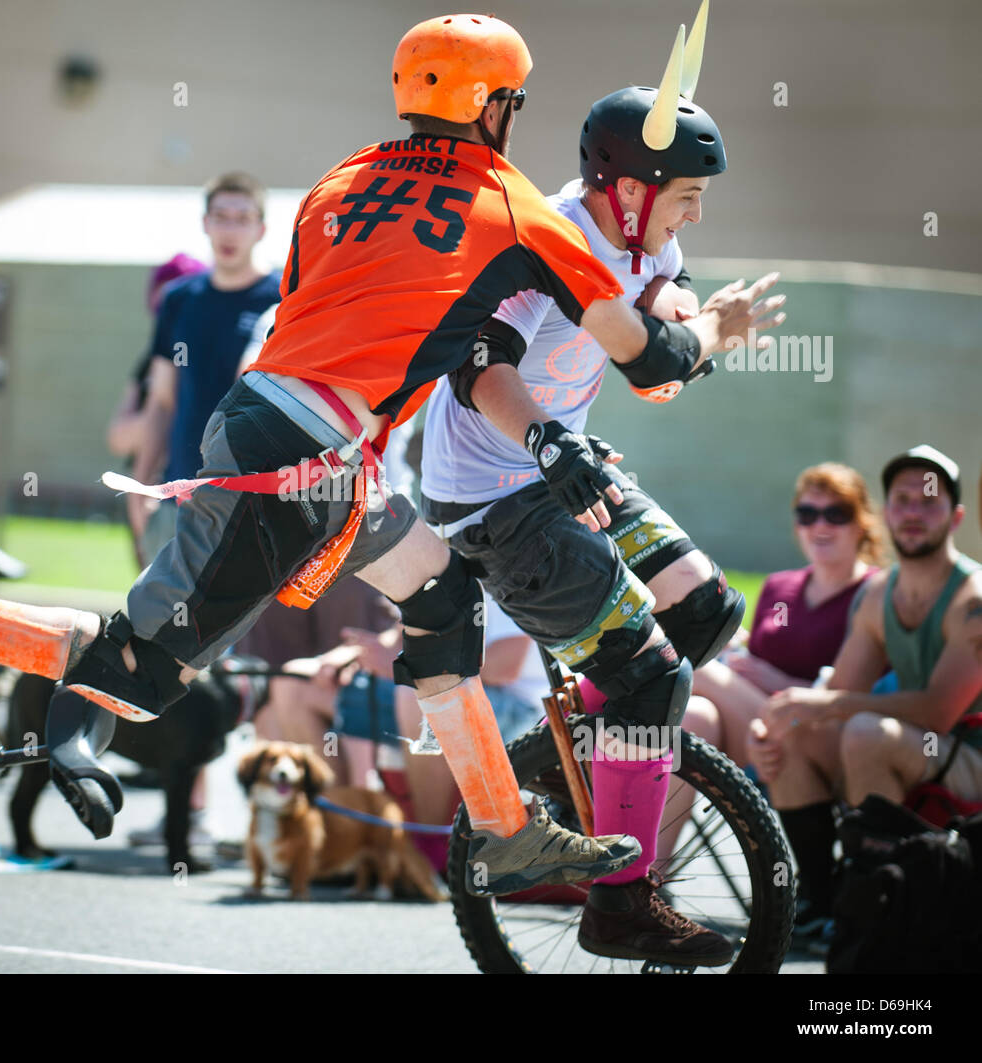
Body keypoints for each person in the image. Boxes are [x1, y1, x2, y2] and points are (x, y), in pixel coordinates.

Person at [0, 14, 775, 902]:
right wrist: (715, 332)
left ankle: (507, 830)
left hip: (300, 438)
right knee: (137, 671)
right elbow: (646, 355)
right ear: (495, 109)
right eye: (511, 104)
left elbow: (312, 311)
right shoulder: (518, 210)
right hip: (305, 459)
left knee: (439, 602)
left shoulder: (337, 183)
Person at [418, 2, 783, 965]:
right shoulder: (542, 240)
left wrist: (699, 313)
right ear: (624, 189)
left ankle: (596, 745)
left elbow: (666, 323)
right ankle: (619, 901)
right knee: (653, 674)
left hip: (565, 469)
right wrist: (548, 441)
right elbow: (476, 362)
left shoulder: (645, 236)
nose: (697, 212)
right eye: (686, 194)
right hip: (494, 493)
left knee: (704, 612)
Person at [749, 446, 982, 941]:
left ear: (955, 516)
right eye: (902, 501)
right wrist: (774, 729)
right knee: (798, 733)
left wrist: (830, 705)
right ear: (887, 511)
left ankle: (874, 901)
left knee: (864, 731)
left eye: (929, 502)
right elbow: (840, 691)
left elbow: (939, 712)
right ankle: (820, 902)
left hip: (970, 758)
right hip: (915, 746)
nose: (913, 513)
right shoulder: (880, 595)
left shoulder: (974, 599)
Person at [125, 175, 280, 565]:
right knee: (166, 621)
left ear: (260, 229)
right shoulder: (179, 300)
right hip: (181, 497)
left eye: (242, 218)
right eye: (221, 216)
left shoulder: (284, 298)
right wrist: (141, 487)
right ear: (205, 223)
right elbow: (162, 402)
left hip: (253, 500)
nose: (230, 229)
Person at [686, 462, 882, 770]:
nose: (820, 526)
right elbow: (764, 653)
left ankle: (602, 740)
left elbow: (873, 694)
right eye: (807, 514)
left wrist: (781, 681)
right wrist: (737, 649)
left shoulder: (877, 593)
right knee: (695, 717)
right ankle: (613, 812)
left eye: (836, 514)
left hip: (816, 734)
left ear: (862, 523)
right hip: (755, 724)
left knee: (694, 668)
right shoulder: (779, 585)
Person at [107, 253, 208, 466]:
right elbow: (118, 438)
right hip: (155, 482)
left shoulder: (210, 357)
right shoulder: (151, 360)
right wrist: (158, 413)